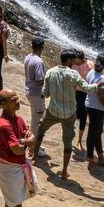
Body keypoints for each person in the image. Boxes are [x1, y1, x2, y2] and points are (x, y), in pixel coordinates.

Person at [0, 88, 38, 207]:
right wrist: (26, 142)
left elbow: (32, 139)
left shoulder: (18, 120)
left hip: (15, 167)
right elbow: (18, 149)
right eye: (13, 100)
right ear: (4, 104)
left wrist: (24, 142)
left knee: (10, 204)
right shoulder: (4, 125)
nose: (18, 101)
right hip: (10, 168)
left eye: (18, 98)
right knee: (15, 206)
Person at [34, 50, 87, 179]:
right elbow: (87, 88)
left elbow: (45, 93)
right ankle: (64, 171)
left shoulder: (51, 72)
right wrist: (98, 85)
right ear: (69, 61)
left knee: (40, 131)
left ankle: (33, 158)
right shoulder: (74, 74)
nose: (75, 62)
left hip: (53, 111)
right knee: (67, 142)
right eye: (74, 60)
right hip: (69, 115)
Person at [84, 53, 104, 171]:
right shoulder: (102, 79)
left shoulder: (91, 73)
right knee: (93, 134)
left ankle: (101, 158)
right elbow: (101, 97)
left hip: (89, 104)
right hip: (96, 109)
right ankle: (91, 160)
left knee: (97, 133)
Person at [23, 37, 46, 142]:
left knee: (35, 117)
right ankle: (34, 144)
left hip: (28, 90)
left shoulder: (28, 57)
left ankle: (31, 140)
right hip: (36, 93)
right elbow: (40, 80)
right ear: (41, 48)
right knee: (37, 120)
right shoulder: (39, 61)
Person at [73, 50, 91, 150]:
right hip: (74, 91)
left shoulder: (89, 65)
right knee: (72, 113)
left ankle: (79, 141)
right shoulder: (73, 63)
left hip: (84, 93)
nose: (76, 63)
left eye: (78, 61)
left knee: (83, 116)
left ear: (83, 59)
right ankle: (70, 133)